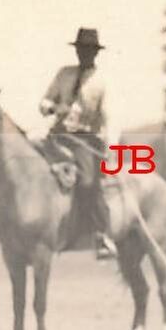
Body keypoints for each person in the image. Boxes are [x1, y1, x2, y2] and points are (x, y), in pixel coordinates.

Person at [41, 27, 117, 259]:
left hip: (85, 139)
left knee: (86, 183)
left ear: (96, 53)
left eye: (89, 51)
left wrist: (109, 146)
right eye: (81, 50)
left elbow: (108, 116)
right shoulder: (63, 74)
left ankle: (101, 235)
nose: (84, 54)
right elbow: (44, 102)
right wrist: (53, 107)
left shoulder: (102, 81)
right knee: (31, 168)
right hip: (58, 134)